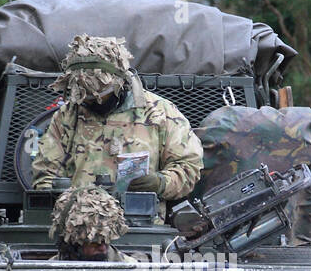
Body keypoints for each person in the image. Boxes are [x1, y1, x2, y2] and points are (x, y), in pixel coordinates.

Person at [30, 35, 202, 218]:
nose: (94, 101)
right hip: (79, 229)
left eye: (101, 94)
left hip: (140, 226)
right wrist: (64, 205)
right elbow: (45, 174)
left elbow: (188, 166)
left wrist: (161, 183)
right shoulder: (68, 115)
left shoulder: (160, 113)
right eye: (86, 96)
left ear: (121, 83)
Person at [49, 186, 138, 262]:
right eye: (95, 243)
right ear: (74, 244)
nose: (103, 249)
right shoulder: (49, 269)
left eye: (106, 241)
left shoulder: (128, 267)